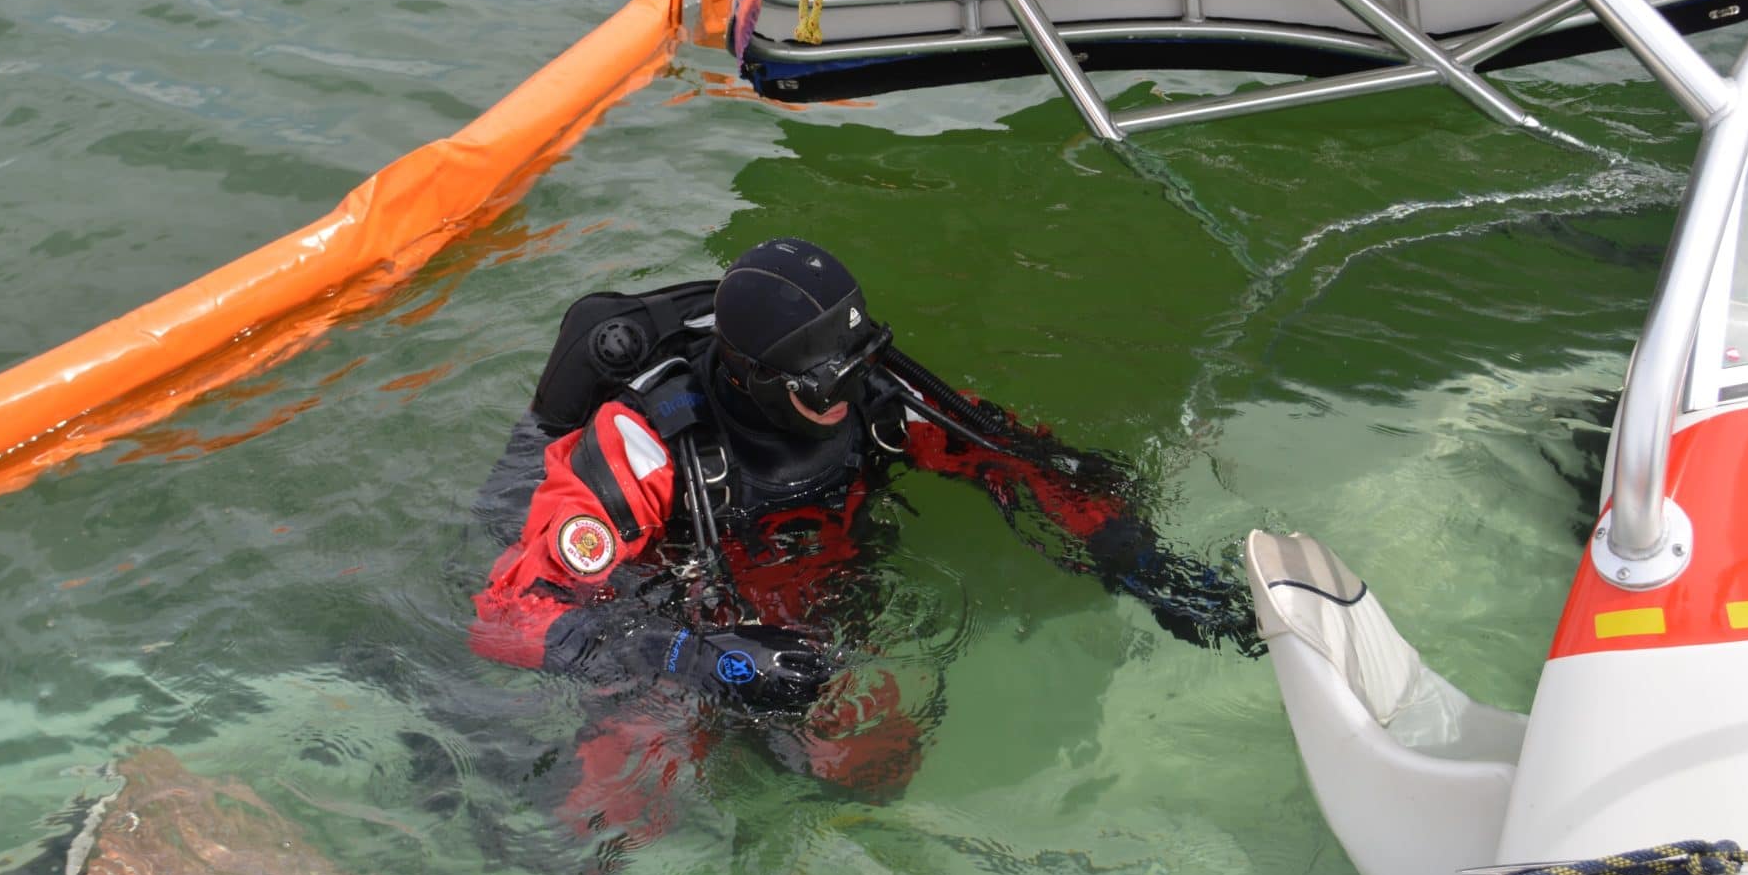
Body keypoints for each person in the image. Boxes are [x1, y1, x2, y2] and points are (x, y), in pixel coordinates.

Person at [468, 238, 1255, 834]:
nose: (853, 390)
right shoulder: (641, 445)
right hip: (674, 634)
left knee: (875, 778)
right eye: (827, 382)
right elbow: (508, 613)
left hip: (823, 620)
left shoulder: (876, 394)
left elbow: (1018, 462)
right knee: (613, 813)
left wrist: (1140, 560)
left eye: (861, 362)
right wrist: (692, 658)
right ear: (756, 379)